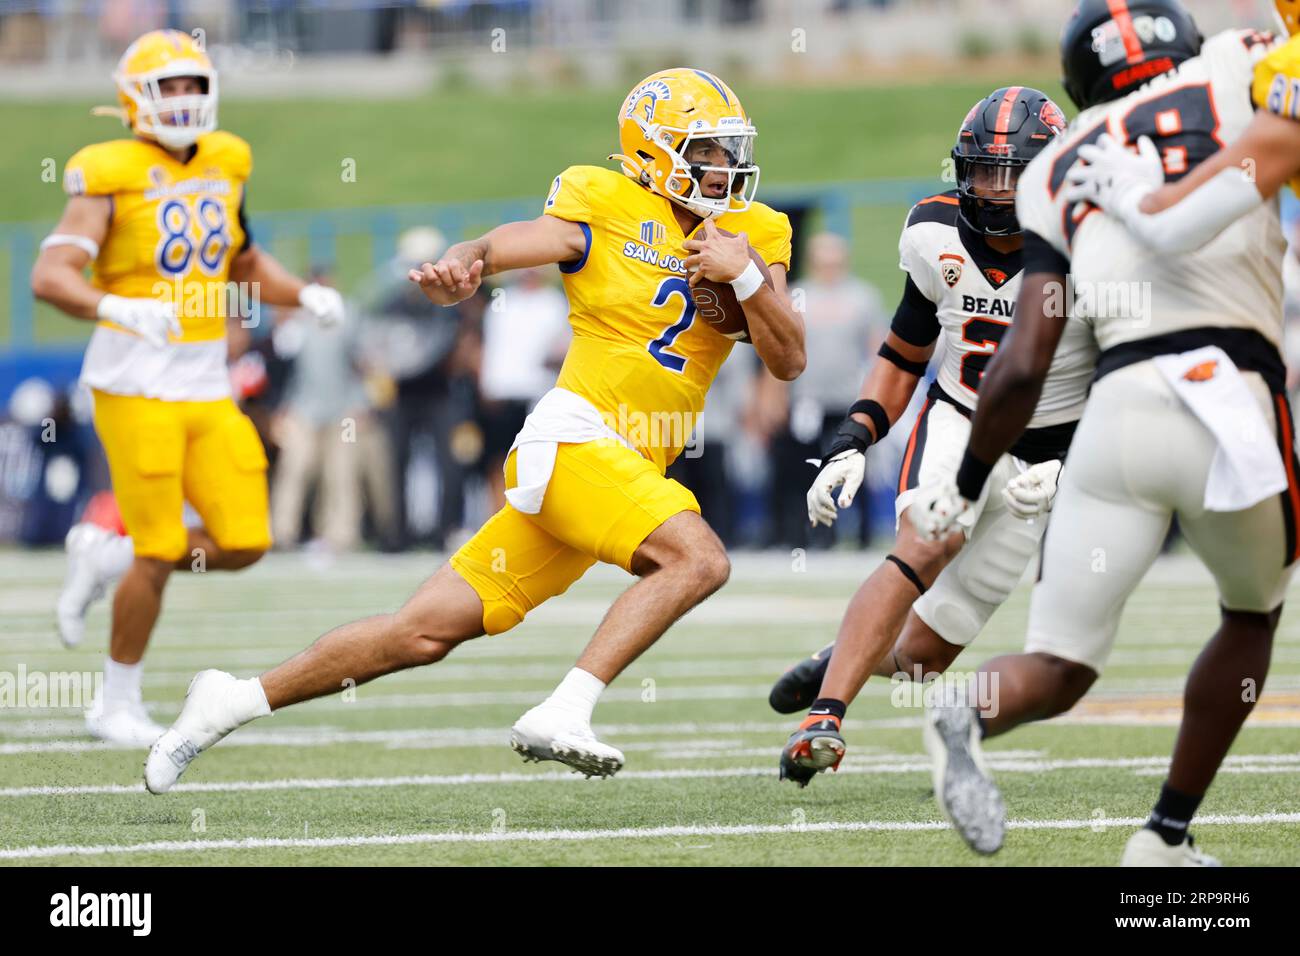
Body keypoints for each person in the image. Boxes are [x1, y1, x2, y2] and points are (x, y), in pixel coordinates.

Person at [143, 68, 803, 793]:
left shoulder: (759, 230)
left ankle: (231, 700)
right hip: (577, 440)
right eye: (705, 151)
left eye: (728, 151)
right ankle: (566, 708)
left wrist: (744, 278)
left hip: (623, 472)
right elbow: (519, 238)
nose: (724, 167)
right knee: (698, 560)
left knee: (419, 633)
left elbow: (787, 358)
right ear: (653, 151)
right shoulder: (605, 198)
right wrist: (465, 261)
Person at [910, 0, 1296, 865]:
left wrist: (964, 487)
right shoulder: (1242, 67)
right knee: (1250, 616)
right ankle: (1164, 834)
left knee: (1060, 662)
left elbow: (1023, 359)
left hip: (1115, 420)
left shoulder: (1057, 168)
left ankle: (965, 708)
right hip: (1225, 393)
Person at [774, 87, 1095, 787]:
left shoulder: (1093, 241)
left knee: (923, 656)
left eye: (1014, 173)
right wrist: (856, 435)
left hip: (1050, 452)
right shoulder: (935, 232)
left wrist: (1079, 459)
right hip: (962, 419)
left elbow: (1129, 368)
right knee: (927, 542)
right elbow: (904, 353)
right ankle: (825, 718)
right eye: (983, 171)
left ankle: (839, 656)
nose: (996, 190)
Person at [31, 30, 343, 746]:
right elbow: (48, 276)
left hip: (206, 385)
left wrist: (302, 296)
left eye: (192, 85)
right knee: (157, 546)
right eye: (168, 86)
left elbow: (242, 259)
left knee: (246, 538)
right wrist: (116, 305)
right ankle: (114, 701)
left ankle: (100, 555)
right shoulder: (108, 170)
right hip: (133, 384)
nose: (183, 99)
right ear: (135, 96)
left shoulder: (227, 159)